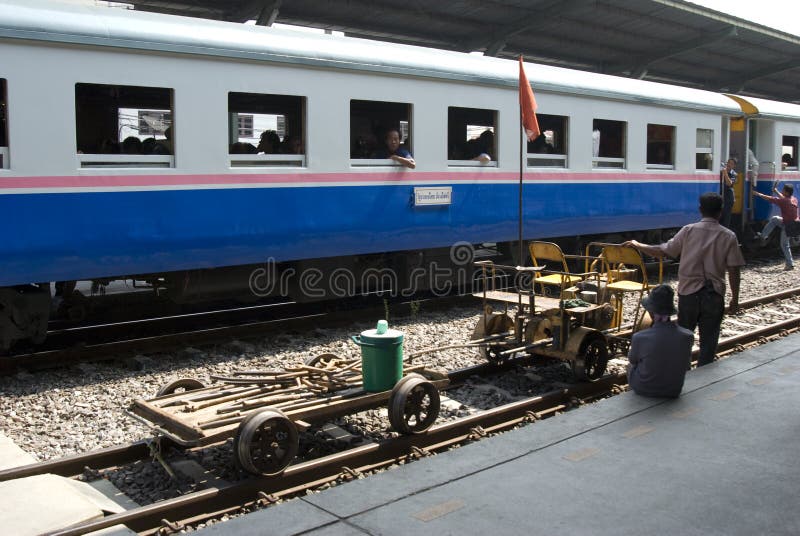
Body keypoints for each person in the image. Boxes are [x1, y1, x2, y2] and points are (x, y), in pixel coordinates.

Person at [624, 192, 745, 366]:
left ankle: (682, 373)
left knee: (684, 338)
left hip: (688, 293)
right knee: (709, 341)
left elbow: (662, 251)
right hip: (714, 295)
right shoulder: (728, 236)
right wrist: (735, 298)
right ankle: (704, 375)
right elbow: (734, 270)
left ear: (700, 210)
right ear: (720, 212)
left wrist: (637, 245)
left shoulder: (688, 231)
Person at [627, 284, 694, 398]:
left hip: (644, 389)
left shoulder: (639, 337)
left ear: (651, 313)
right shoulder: (688, 336)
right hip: (673, 390)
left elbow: (633, 360)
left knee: (630, 365)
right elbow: (687, 365)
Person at [754, 183, 799, 270]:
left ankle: (790, 264)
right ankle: (763, 236)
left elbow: (770, 199)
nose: (782, 191)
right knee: (775, 219)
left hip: (789, 225)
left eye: (783, 190)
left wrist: (758, 194)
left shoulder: (784, 201)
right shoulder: (793, 199)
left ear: (786, 192)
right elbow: (784, 198)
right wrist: (776, 191)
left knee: (784, 245)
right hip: (793, 223)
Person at [720, 158, 736, 230]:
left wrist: (725, 173)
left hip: (728, 198)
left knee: (726, 218)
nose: (729, 165)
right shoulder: (721, 172)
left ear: (734, 166)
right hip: (721, 196)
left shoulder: (734, 174)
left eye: (731, 163)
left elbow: (729, 183)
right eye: (728, 163)